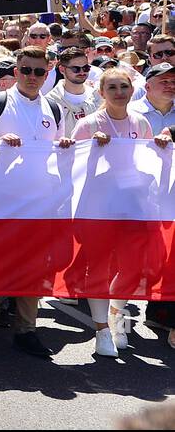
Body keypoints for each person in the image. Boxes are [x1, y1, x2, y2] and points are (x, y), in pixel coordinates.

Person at [0, 46, 72, 359]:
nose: (32, 77)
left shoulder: (53, 109)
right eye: (26, 70)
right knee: (0, 266)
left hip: (40, 205)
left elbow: (62, 151)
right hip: (1, 203)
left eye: (39, 72)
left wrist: (66, 146)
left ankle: (26, 330)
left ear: (47, 74)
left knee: (34, 268)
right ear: (16, 72)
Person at [71, 68, 152, 357]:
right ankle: (101, 330)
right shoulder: (89, 124)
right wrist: (94, 148)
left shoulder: (141, 122)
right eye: (113, 87)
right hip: (97, 208)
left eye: (124, 86)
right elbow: (74, 168)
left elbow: (147, 161)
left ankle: (116, 314)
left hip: (131, 206)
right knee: (100, 268)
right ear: (102, 93)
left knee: (131, 267)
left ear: (132, 90)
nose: (119, 92)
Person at [47, 48, 101, 136]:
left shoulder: (97, 96)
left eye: (86, 68)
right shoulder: (51, 101)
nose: (82, 72)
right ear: (62, 70)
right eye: (76, 69)